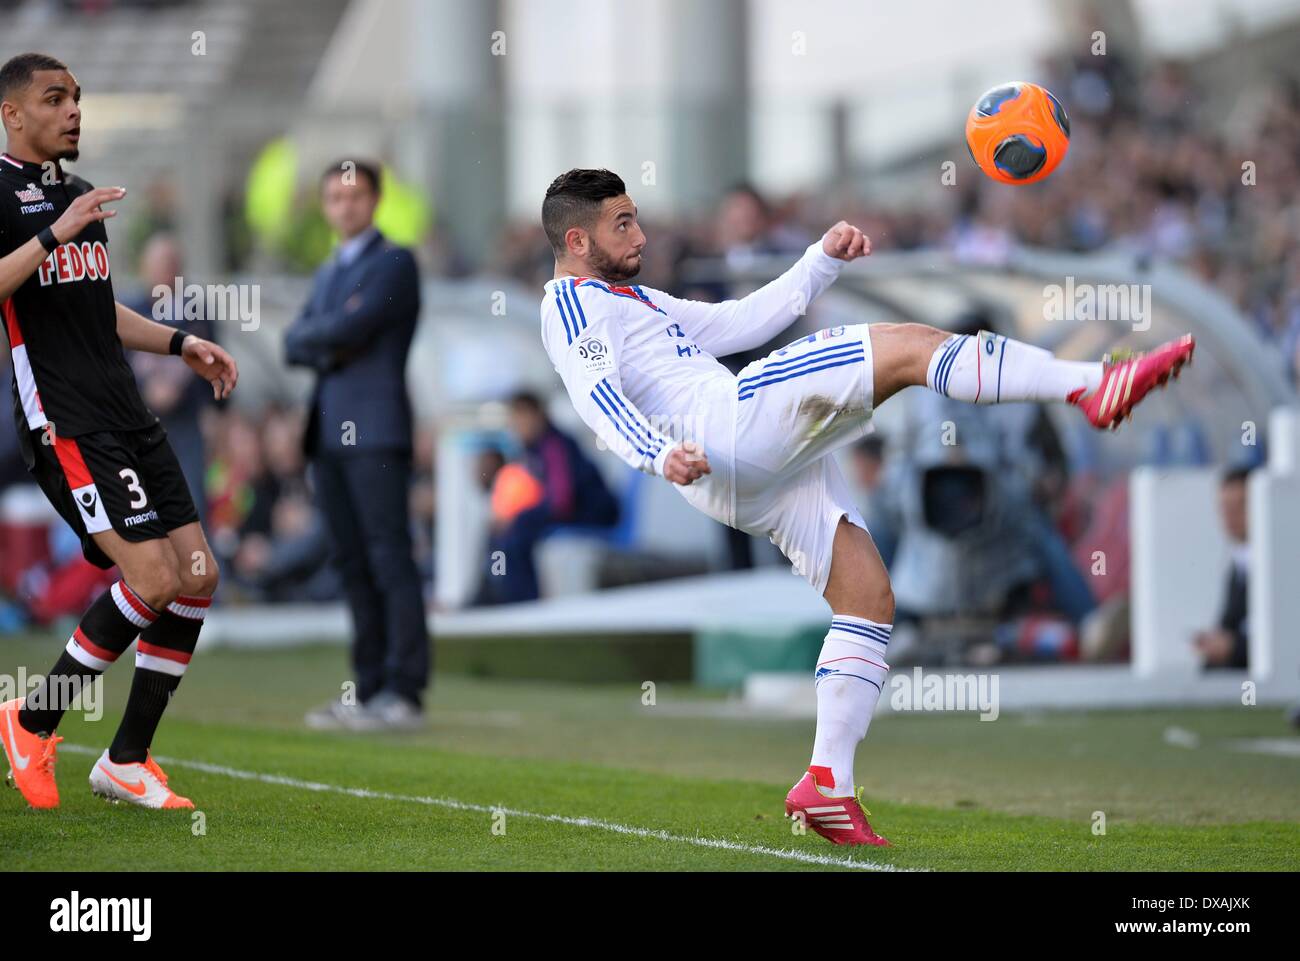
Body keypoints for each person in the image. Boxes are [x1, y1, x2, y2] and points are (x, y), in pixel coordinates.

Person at [538, 167, 1195, 846]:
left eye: (637, 216)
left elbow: (739, 322)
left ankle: (828, 781)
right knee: (910, 346)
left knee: (867, 599)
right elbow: (596, 395)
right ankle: (1092, 383)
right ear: (579, 239)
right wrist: (655, 452)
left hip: (733, 473)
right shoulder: (572, 305)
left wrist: (818, 260)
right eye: (623, 224)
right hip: (722, 430)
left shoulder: (632, 299)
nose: (640, 233)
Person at [0, 53, 238, 810]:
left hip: (129, 411)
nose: (73, 110)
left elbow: (94, 307)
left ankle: (126, 759)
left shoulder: (72, 192)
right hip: (66, 421)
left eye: (77, 98)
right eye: (54, 98)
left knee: (197, 575)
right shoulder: (6, 194)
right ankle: (29, 718)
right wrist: (51, 235)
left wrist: (178, 342)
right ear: (12, 114)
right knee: (152, 578)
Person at [285, 159, 428, 732]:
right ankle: (367, 688)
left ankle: (404, 690)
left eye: (355, 196)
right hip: (330, 434)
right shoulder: (327, 272)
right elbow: (295, 342)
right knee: (350, 561)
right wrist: (330, 339)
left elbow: (348, 330)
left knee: (388, 556)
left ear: (374, 200)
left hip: (377, 431)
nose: (344, 207)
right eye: (334, 199)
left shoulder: (395, 262)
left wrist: (328, 337)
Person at [476, 391, 619, 604]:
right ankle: (495, 589)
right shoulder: (530, 451)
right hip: (567, 512)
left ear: (538, 416)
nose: (518, 426)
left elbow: (561, 501)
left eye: (522, 418)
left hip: (591, 514)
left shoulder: (554, 445)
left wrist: (519, 516)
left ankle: (523, 601)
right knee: (497, 536)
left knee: (517, 534)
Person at [122, 231, 216, 525]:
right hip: (140, 424)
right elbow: (121, 361)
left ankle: (199, 567)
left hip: (187, 422)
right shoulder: (129, 309)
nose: (164, 270)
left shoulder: (196, 310)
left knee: (192, 500)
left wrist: (218, 413)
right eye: (158, 263)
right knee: (143, 504)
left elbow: (210, 363)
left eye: (170, 263)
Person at [1194, 466, 1250, 670]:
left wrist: (1234, 648)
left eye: (1241, 505)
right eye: (1225, 507)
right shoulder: (1237, 564)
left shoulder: (1281, 566)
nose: (1231, 516)